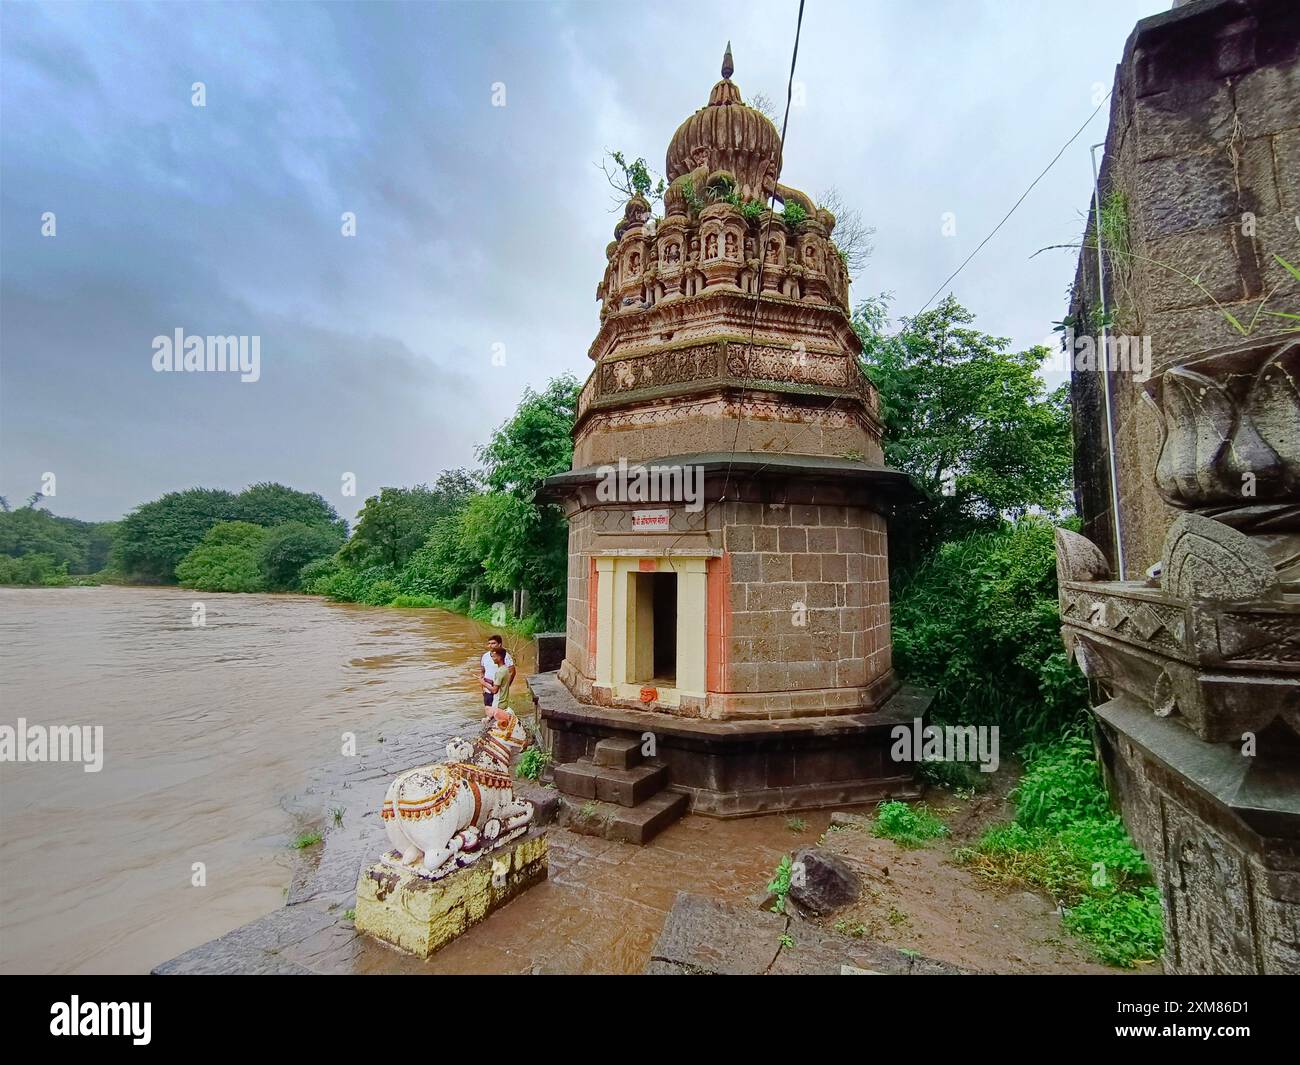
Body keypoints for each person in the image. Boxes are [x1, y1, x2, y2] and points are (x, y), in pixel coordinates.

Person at [478, 634, 515, 710]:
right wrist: (483, 688)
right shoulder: (485, 656)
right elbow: (482, 671)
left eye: (493, 643)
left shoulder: (505, 656)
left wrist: (506, 687)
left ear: (499, 644)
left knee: (498, 708)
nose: (491, 646)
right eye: (489, 643)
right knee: (488, 708)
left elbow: (512, 672)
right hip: (488, 687)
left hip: (498, 687)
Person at [482, 647, 513, 726]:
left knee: (487, 713)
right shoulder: (505, 669)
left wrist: (483, 683)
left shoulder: (499, 672)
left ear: (499, 657)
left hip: (499, 703)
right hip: (504, 702)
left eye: (494, 656)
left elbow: (494, 690)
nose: (492, 658)